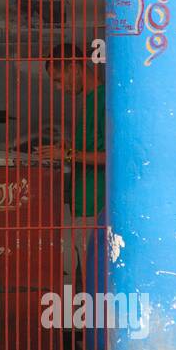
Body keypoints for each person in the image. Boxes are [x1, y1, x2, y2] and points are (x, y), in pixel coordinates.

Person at [36, 43, 105, 292]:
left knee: (96, 286)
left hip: (96, 207)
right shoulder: (89, 101)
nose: (57, 87)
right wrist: (69, 150)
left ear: (75, 68)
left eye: (58, 79)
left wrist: (68, 153)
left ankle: (101, 331)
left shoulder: (102, 100)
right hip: (84, 206)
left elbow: (112, 156)